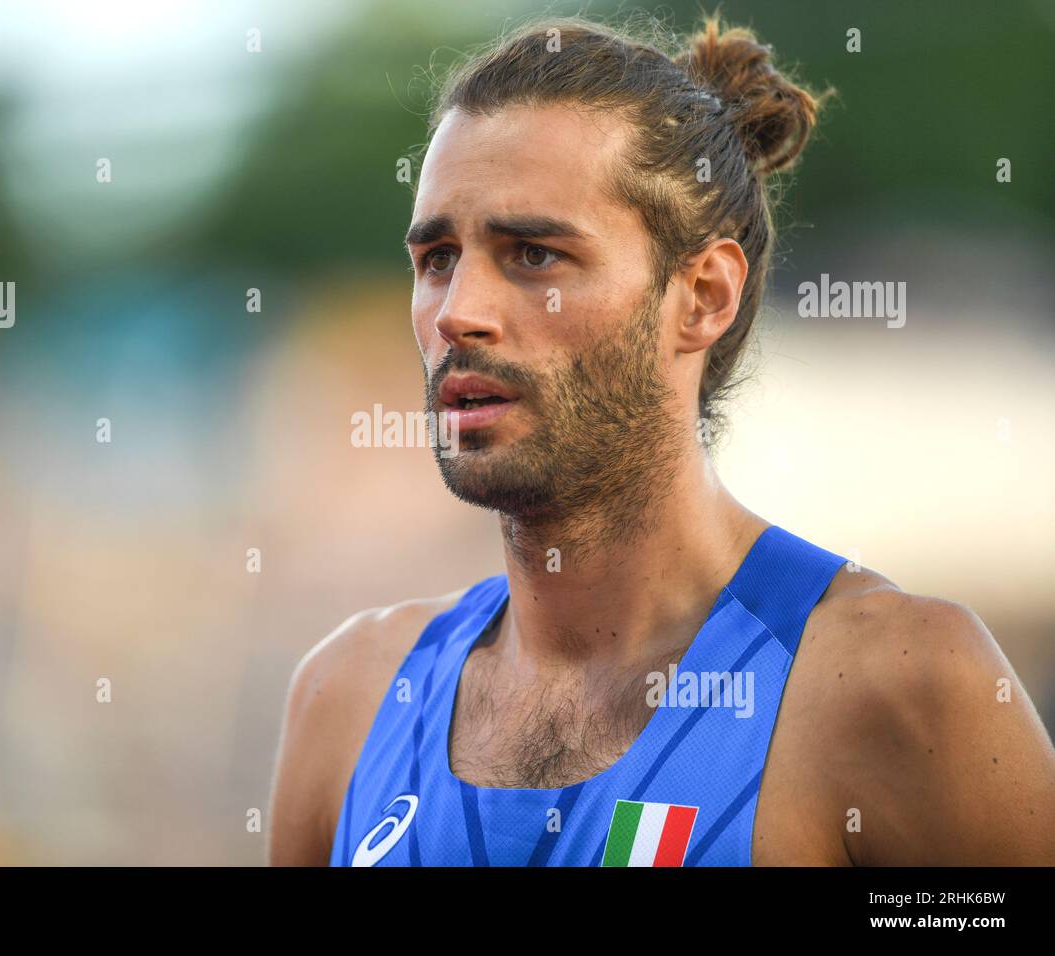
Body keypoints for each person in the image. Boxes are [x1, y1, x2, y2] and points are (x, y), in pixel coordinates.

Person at [267, 15, 1055, 866]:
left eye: (533, 254)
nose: (459, 311)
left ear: (704, 295)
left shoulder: (896, 685)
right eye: (437, 259)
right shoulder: (350, 697)